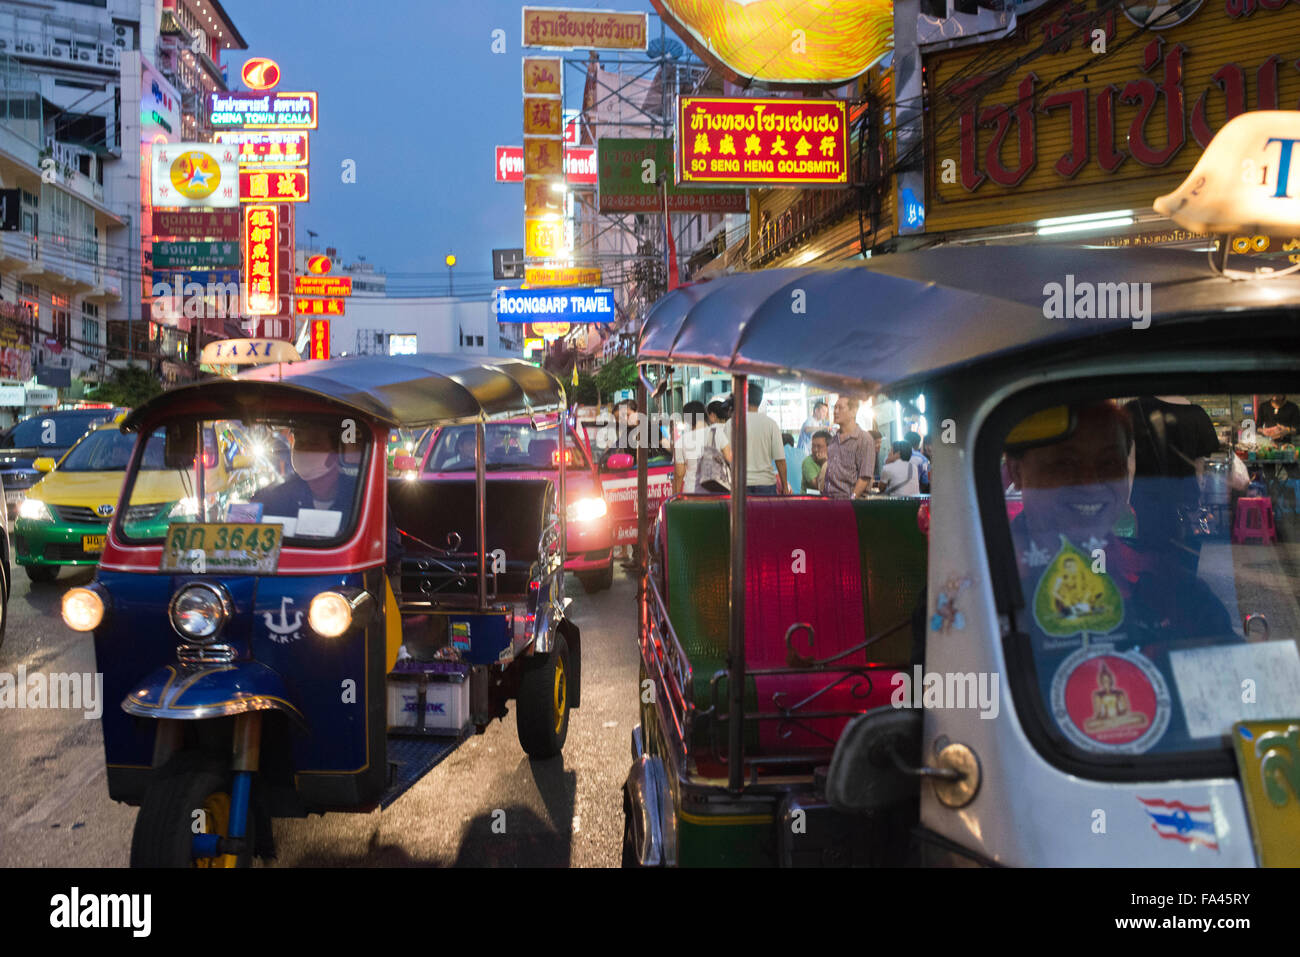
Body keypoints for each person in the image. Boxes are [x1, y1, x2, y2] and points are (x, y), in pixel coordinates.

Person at [716, 382, 787, 495]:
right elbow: (780, 460)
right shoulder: (771, 424)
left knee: (741, 513)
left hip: (739, 483)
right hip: (766, 484)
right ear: (760, 400)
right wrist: (785, 486)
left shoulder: (731, 423)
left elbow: (725, 456)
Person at [818, 396, 875, 499]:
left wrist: (852, 499)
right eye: (834, 408)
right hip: (830, 502)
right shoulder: (833, 440)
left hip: (850, 504)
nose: (835, 411)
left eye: (840, 408)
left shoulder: (864, 439)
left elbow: (865, 476)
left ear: (853, 411)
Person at [673, 400, 709, 494]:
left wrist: (675, 496)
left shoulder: (682, 441)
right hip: (715, 492)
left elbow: (680, 474)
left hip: (692, 492)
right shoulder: (718, 434)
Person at [803, 430, 831, 494]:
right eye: (813, 446)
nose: (815, 450)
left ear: (829, 447)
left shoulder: (834, 459)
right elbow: (818, 487)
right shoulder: (808, 462)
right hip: (810, 501)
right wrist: (824, 463)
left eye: (819, 446)